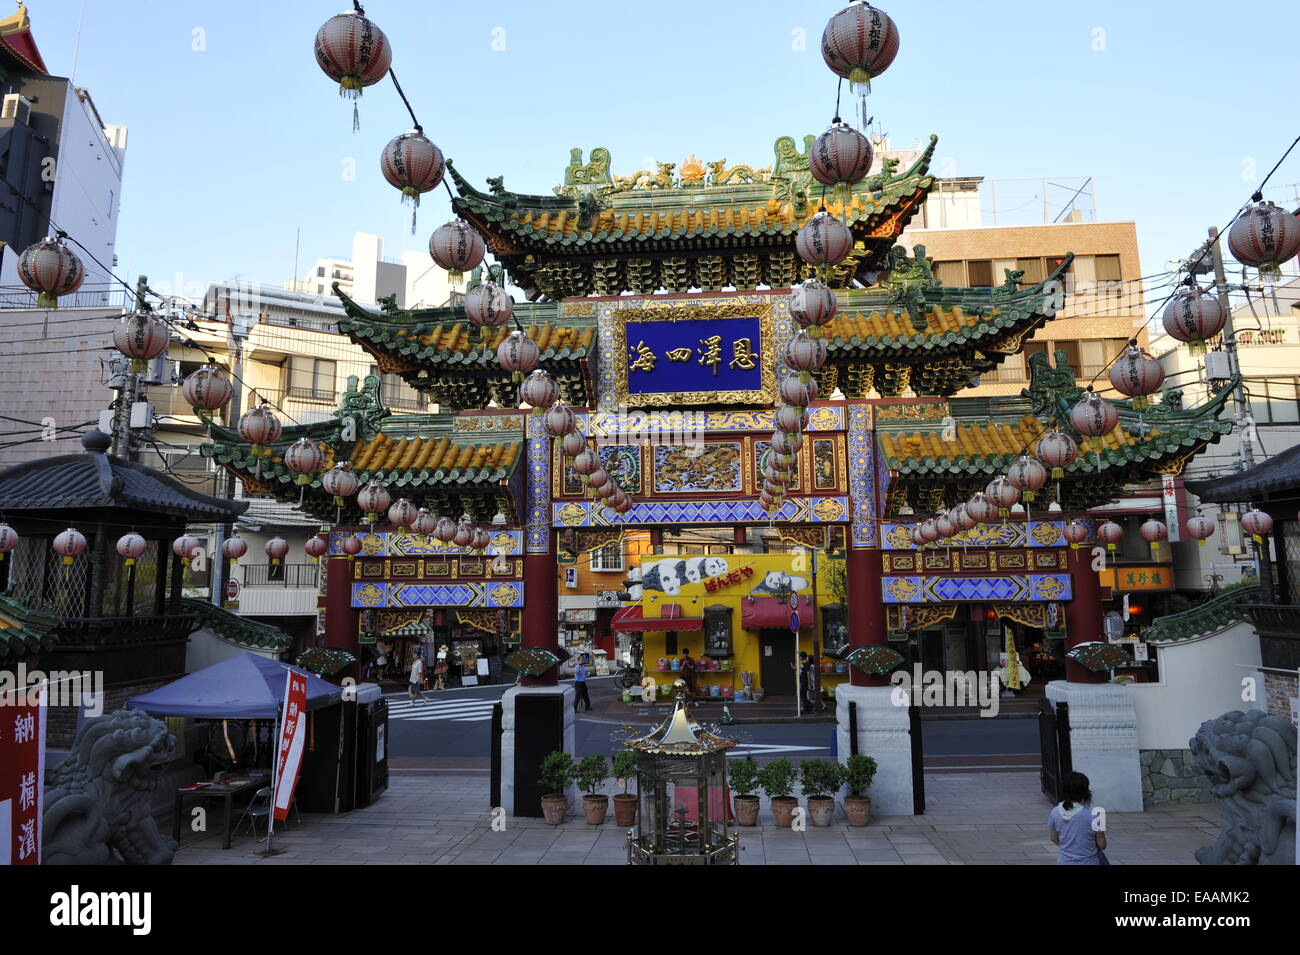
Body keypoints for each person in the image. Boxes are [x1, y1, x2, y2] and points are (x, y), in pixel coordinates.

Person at [1048, 771, 1107, 865]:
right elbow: (1102, 845)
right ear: (1086, 792)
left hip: (1064, 861)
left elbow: (1054, 838)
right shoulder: (1096, 814)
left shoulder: (1055, 812)